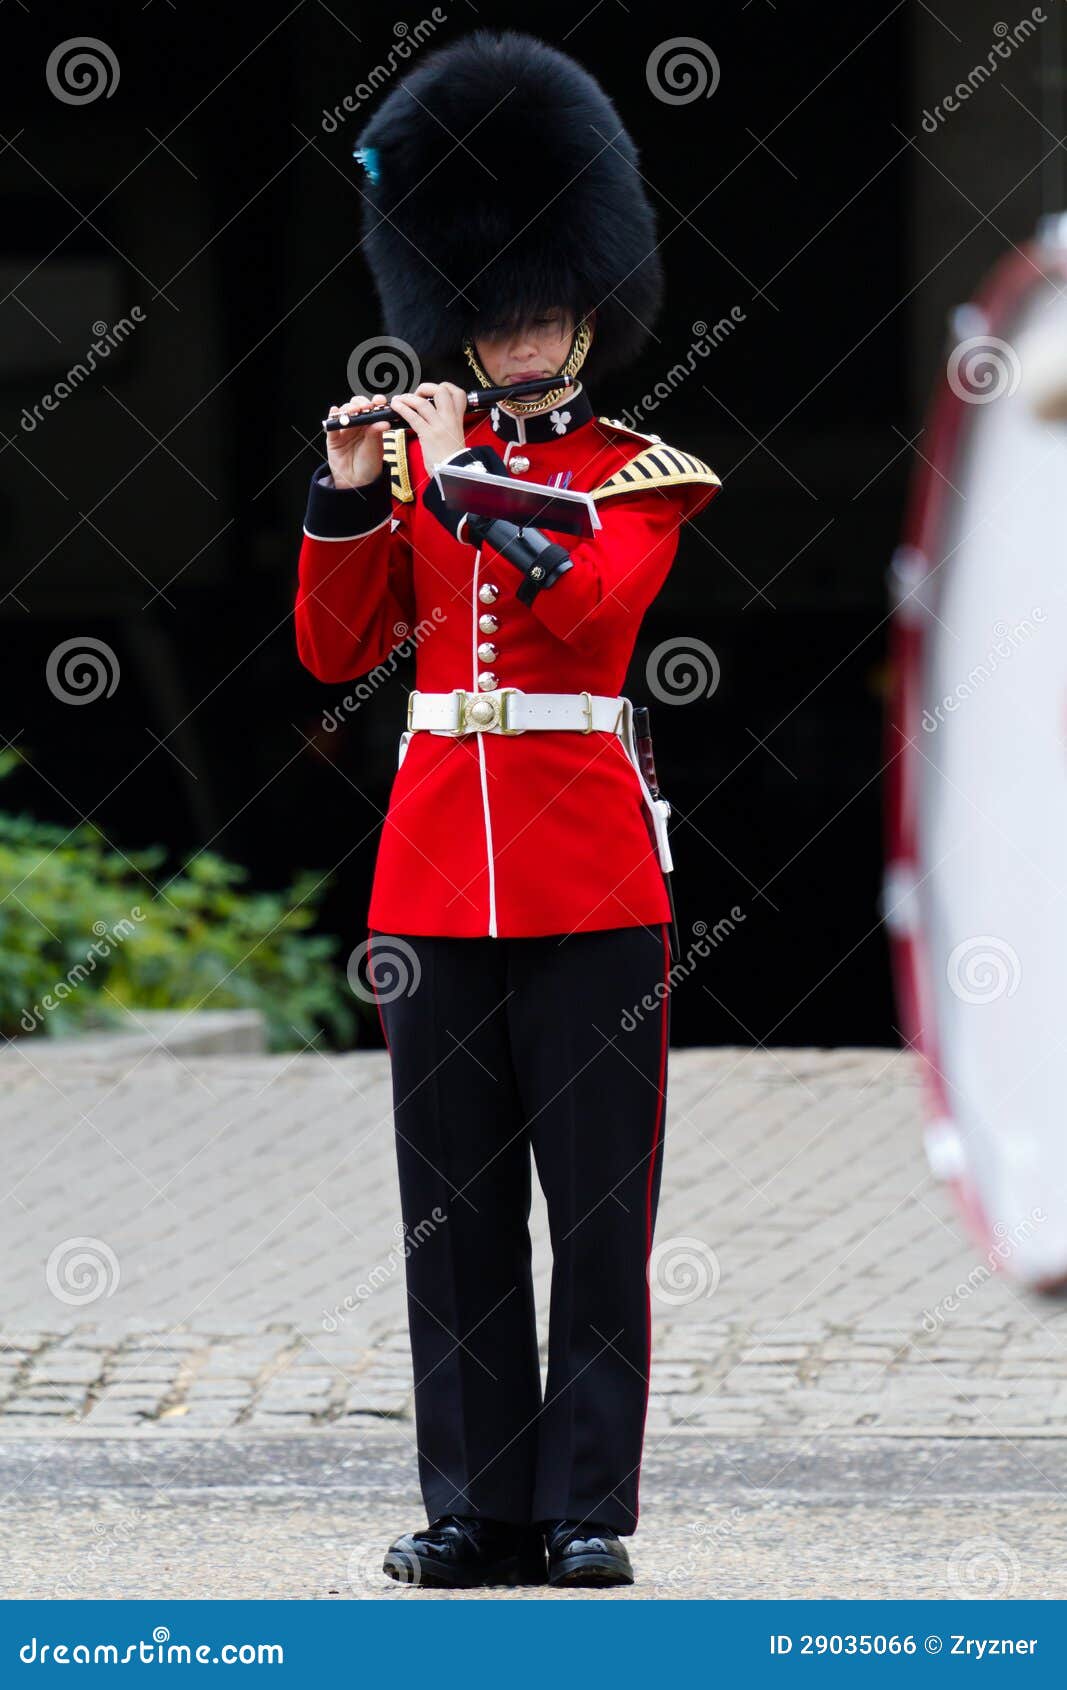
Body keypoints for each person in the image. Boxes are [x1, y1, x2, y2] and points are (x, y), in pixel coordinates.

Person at [293, 29, 720, 1589]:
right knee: (453, 1211)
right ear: (461, 321)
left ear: (588, 313)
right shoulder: (410, 468)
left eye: (546, 307)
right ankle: (480, 1507)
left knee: (599, 1213)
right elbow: (336, 652)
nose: (525, 332)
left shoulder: (639, 472)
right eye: (497, 312)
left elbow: (592, 616)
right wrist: (352, 493)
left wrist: (465, 474)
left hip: (595, 882)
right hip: (431, 880)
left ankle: (588, 1506)